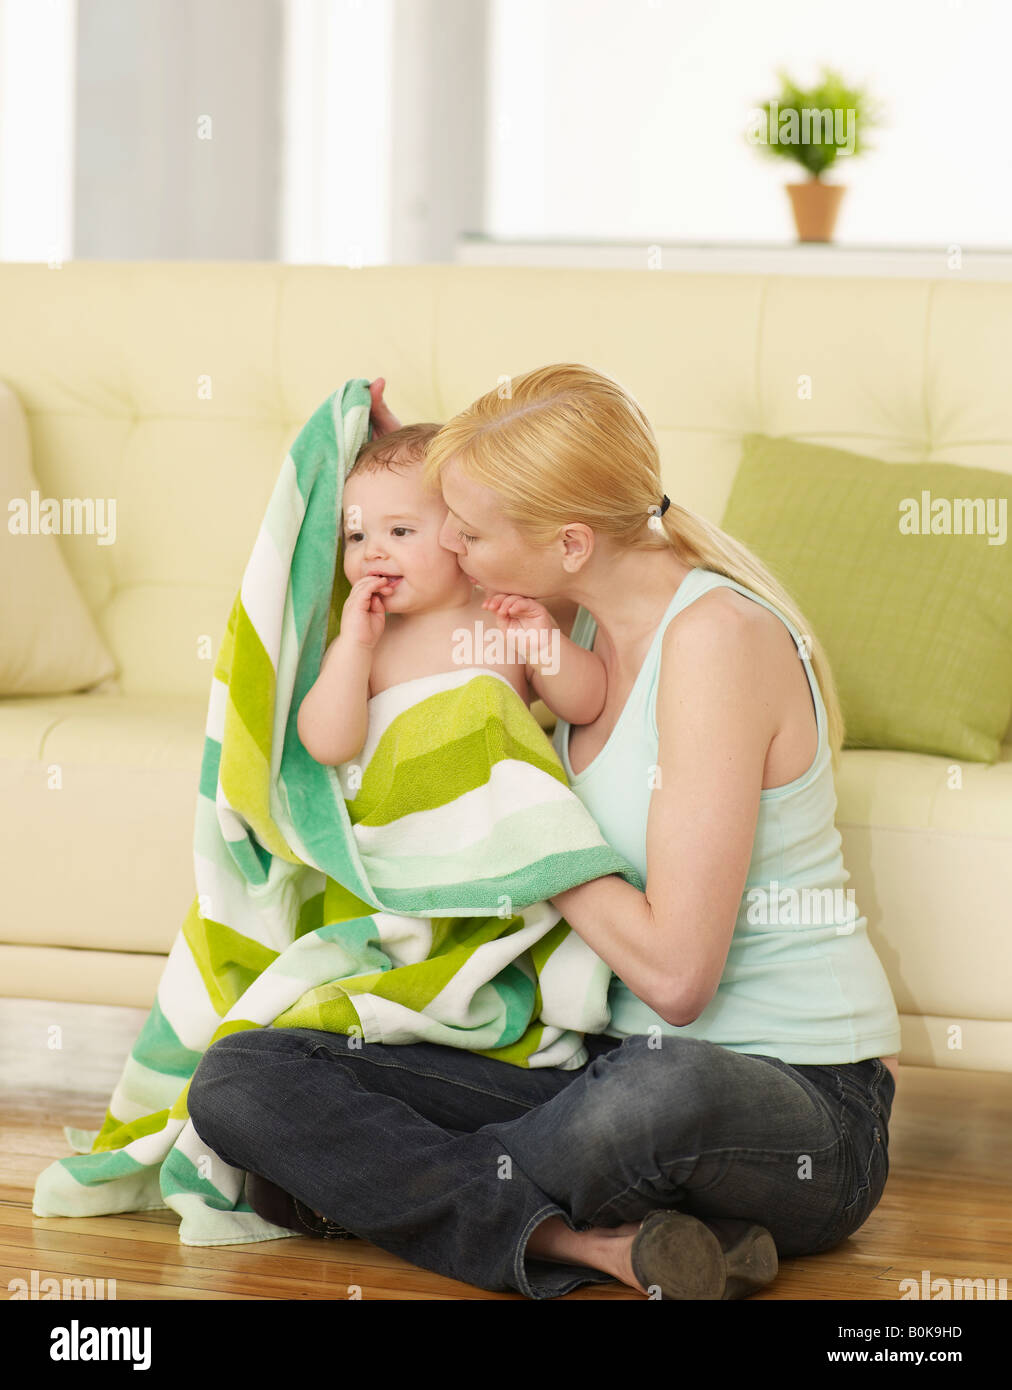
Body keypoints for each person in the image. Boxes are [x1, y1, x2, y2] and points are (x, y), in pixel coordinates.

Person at [186, 366, 900, 1301]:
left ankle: (366, 1190)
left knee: (659, 1093)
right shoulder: (568, 626)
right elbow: (464, 522)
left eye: (467, 530)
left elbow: (679, 982)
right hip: (594, 1068)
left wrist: (517, 836)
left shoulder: (715, 640)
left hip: (793, 1101)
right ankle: (594, 1244)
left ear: (568, 543)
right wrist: (397, 467)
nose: (447, 541)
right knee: (244, 1077)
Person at [296, 421, 608, 766]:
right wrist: (354, 647)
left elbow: (587, 706)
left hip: (503, 805)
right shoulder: (363, 646)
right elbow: (328, 748)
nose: (371, 552)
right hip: (409, 812)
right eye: (357, 537)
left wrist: (547, 645)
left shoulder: (504, 620)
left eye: (400, 531)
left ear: (461, 533)